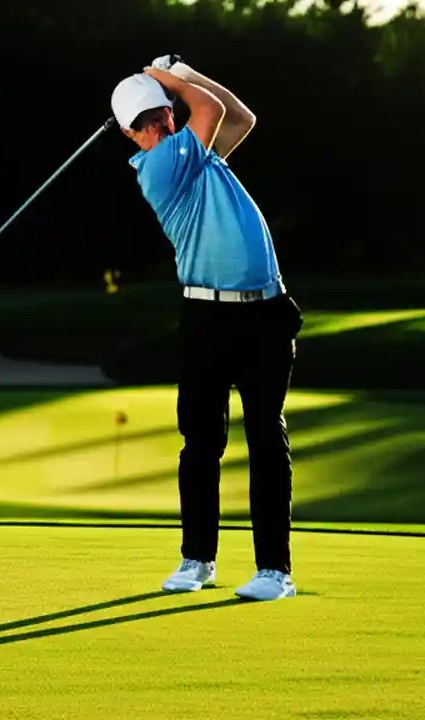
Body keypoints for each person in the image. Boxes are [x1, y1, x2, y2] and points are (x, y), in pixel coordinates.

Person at [110, 55, 304, 601]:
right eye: (149, 120)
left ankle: (274, 572)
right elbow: (211, 109)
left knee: (267, 438)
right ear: (132, 133)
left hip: (264, 313)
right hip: (206, 317)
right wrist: (172, 78)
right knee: (201, 443)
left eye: (165, 114)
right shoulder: (162, 168)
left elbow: (239, 117)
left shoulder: (197, 155)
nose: (163, 124)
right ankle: (197, 560)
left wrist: (186, 75)